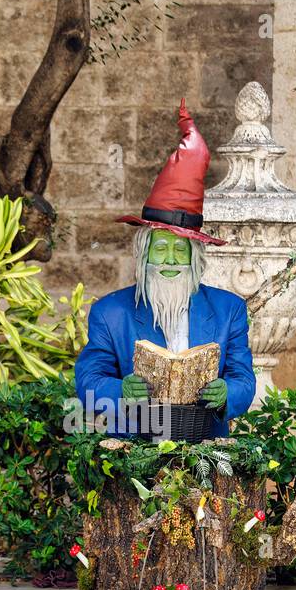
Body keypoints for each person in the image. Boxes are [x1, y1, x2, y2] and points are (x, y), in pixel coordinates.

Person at [74, 100, 255, 438]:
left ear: (194, 258)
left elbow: (243, 378)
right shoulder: (110, 313)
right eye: (160, 249)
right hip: (135, 450)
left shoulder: (229, 310)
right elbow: (88, 381)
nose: (171, 260)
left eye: (179, 250)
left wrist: (228, 393)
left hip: (206, 449)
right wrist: (119, 390)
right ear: (144, 255)